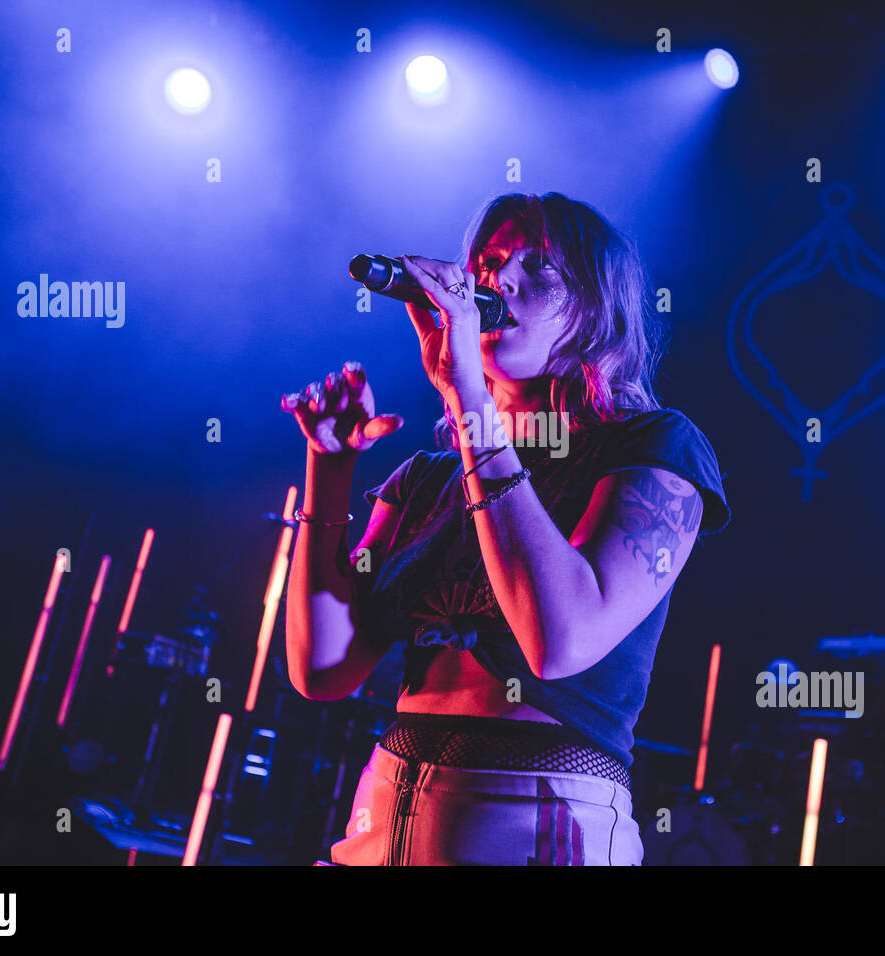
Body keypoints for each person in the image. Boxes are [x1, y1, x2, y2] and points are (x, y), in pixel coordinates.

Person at [282, 192, 730, 865]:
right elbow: (322, 669)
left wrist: (467, 398)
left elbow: (561, 639)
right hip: (384, 815)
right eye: (487, 265)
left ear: (596, 309)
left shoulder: (655, 449)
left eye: (539, 270)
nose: (500, 282)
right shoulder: (428, 481)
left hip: (542, 823)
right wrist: (330, 470)